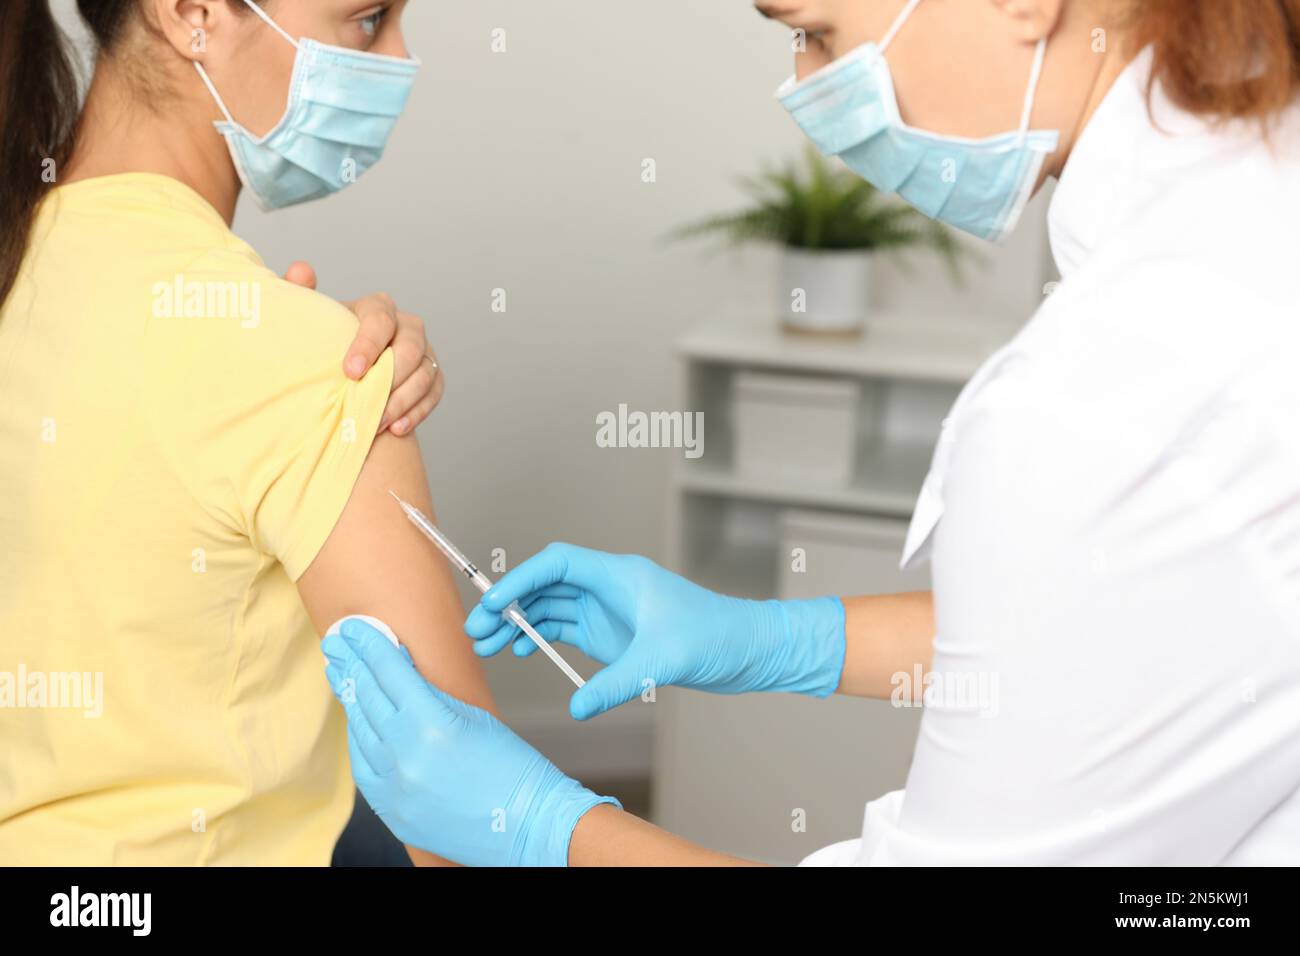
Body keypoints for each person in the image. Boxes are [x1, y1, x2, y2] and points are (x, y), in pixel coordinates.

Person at [323, 0, 1300, 866]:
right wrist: (771, 639)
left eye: (813, 34)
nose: (805, 86)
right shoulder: (1240, 226)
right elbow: (1127, 632)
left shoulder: (1102, 391)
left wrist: (542, 828)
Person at [0, 0, 497, 865]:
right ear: (192, 13)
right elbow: (470, 822)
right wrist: (304, 369)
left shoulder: (22, 257)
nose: (401, 57)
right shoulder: (310, 364)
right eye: (370, 18)